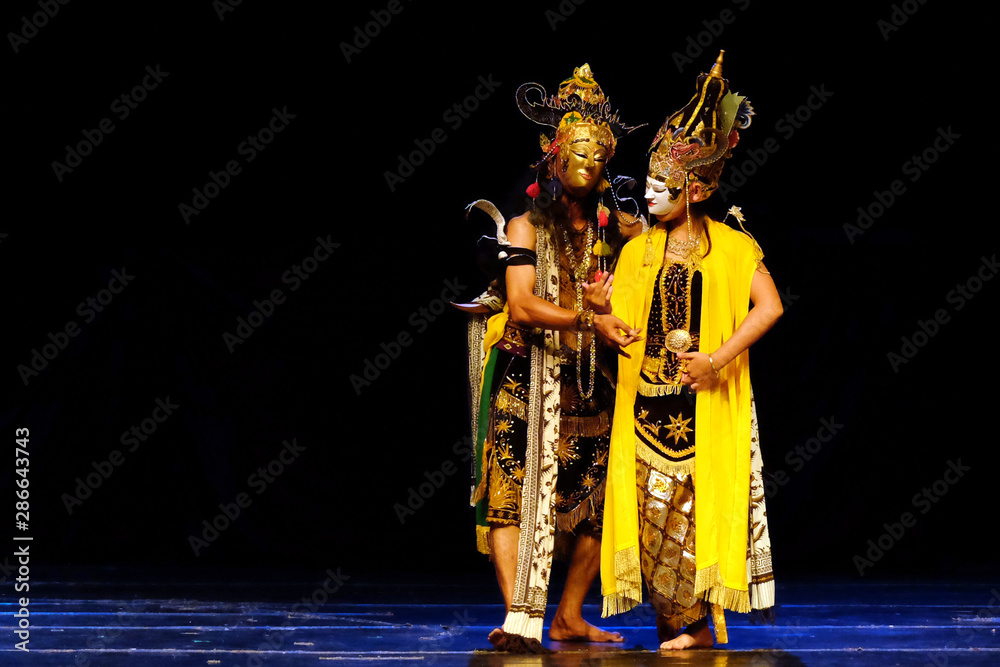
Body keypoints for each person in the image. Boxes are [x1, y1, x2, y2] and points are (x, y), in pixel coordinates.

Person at [599, 51, 780, 650]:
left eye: (661, 186)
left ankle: (700, 629)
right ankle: (677, 627)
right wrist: (602, 318)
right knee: (654, 526)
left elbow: (770, 307)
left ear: (694, 188)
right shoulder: (636, 251)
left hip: (706, 402)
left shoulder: (732, 246)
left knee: (699, 519)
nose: (648, 194)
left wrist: (716, 359)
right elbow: (622, 324)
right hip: (647, 403)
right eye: (648, 183)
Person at [461, 64, 644, 652]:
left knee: (595, 504)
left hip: (590, 381)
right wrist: (588, 316)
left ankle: (567, 615)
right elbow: (520, 304)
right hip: (527, 376)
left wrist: (637, 243)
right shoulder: (523, 224)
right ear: (555, 156)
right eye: (577, 157)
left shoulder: (615, 231)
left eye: (598, 161)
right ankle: (523, 617)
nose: (587, 170)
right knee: (512, 495)